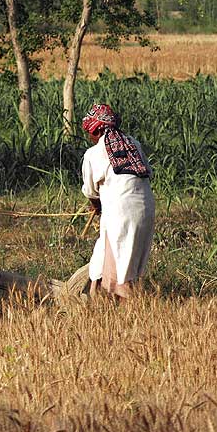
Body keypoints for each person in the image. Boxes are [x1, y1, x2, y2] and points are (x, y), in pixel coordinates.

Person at [81, 104, 155, 300]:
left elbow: (90, 191)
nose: (90, 137)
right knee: (128, 262)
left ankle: (125, 309)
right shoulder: (135, 145)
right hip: (145, 209)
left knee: (118, 265)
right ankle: (108, 304)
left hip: (120, 214)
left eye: (90, 133)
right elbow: (146, 175)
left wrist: (95, 206)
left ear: (96, 130)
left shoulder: (93, 154)